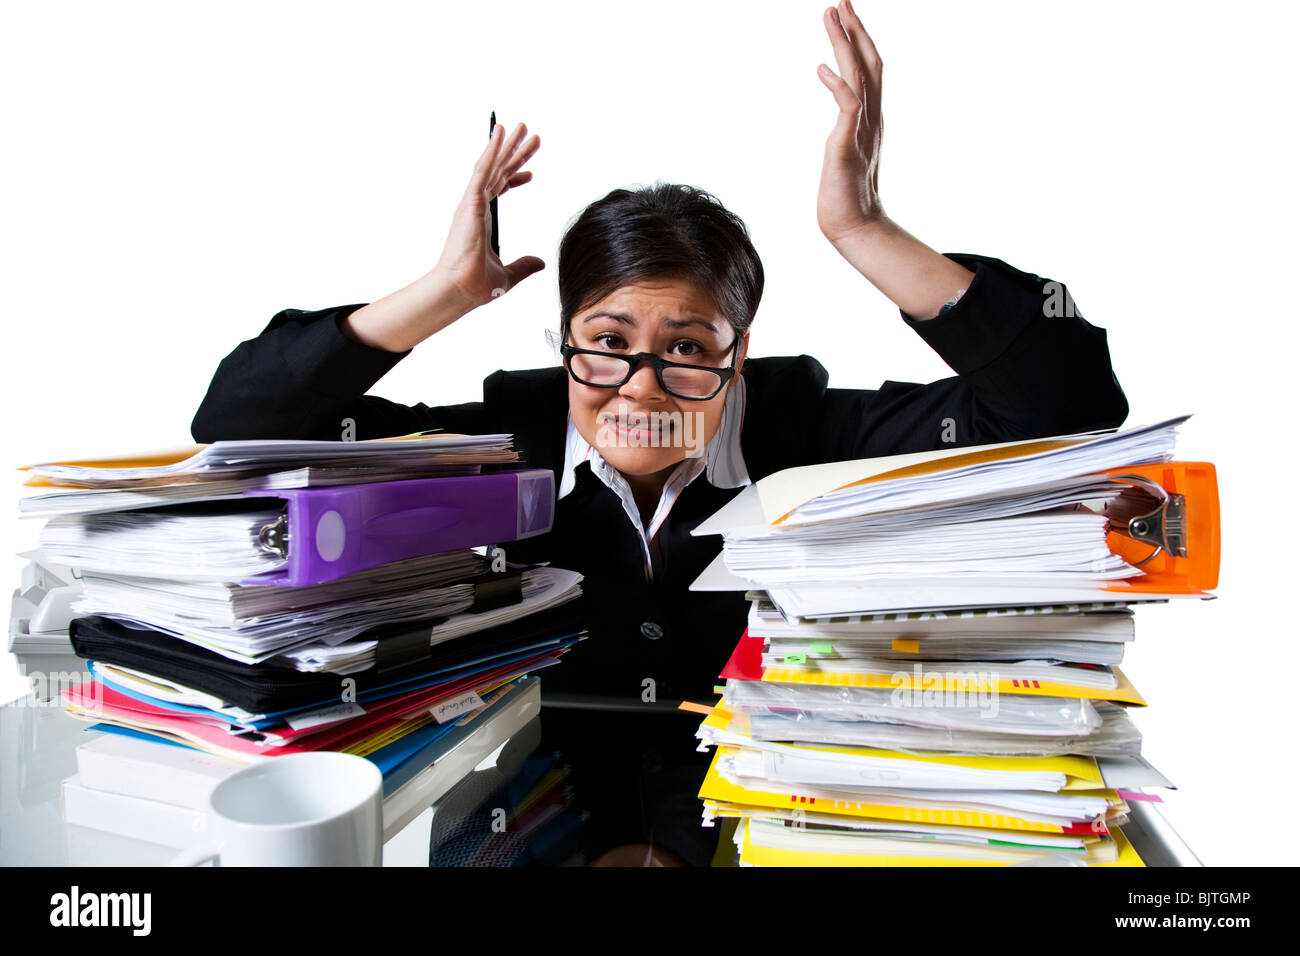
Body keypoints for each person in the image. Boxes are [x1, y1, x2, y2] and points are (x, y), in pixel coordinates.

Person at [191, 1, 1128, 866]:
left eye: (687, 346)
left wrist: (861, 226)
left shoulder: (802, 424)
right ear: (563, 342)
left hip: (766, 812)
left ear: (741, 349)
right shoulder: (508, 435)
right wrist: (442, 292)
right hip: (526, 811)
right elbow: (242, 425)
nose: (641, 387)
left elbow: (1061, 405)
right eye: (606, 343)